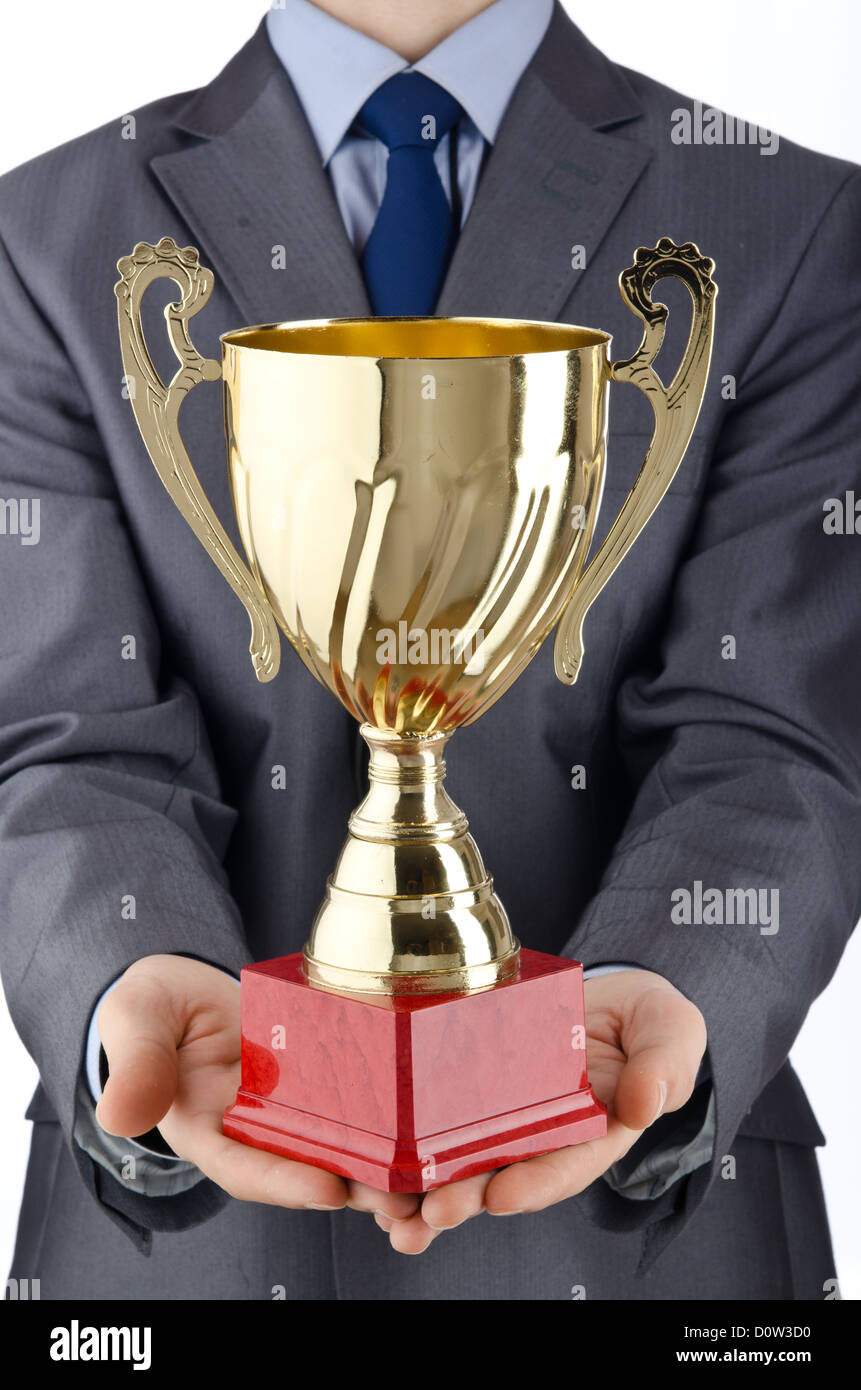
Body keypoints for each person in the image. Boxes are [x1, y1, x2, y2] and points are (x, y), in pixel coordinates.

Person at [2, 0, 858, 1300]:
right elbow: (59, 732)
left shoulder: (787, 221)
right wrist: (130, 972)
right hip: (179, 1266)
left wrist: (660, 990)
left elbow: (778, 737)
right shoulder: (42, 235)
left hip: (653, 1249)